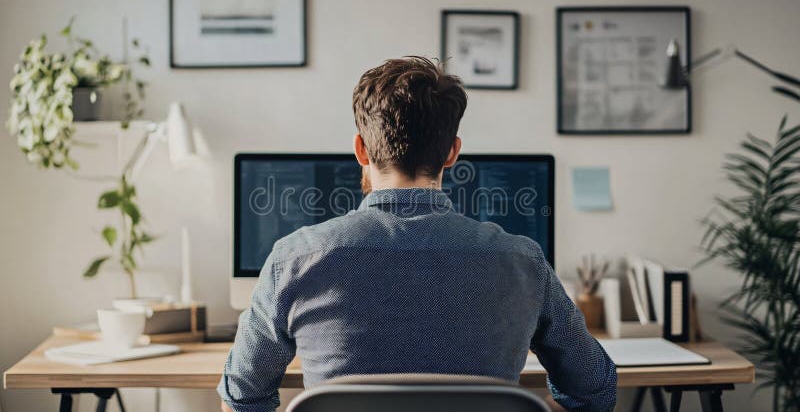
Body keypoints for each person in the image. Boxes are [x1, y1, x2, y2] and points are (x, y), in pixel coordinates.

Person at [218, 56, 617, 412]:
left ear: (360, 150)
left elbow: (241, 400)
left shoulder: (293, 259)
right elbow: (595, 390)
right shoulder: (524, 262)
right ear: (452, 152)